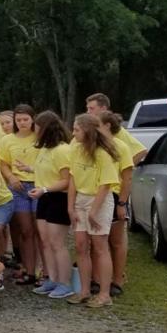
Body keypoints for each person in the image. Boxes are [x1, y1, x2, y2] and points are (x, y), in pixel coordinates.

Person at [66, 113, 120, 308]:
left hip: (99, 201)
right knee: (80, 245)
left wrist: (93, 211)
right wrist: (70, 206)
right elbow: (72, 178)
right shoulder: (76, 149)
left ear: (88, 131)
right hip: (81, 198)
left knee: (99, 246)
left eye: (77, 129)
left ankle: (105, 294)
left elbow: (106, 185)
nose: (73, 133)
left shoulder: (102, 154)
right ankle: (84, 290)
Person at [27, 111, 75, 300]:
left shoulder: (62, 150)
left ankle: (65, 283)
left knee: (57, 243)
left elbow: (66, 180)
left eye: (37, 127)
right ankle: (52, 279)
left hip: (58, 198)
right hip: (44, 197)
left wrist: (45, 189)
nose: (35, 131)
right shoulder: (45, 149)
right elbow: (44, 170)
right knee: (46, 242)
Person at [0, 104, 40, 284]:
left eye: (25, 119)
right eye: (19, 120)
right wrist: (11, 177)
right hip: (18, 187)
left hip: (39, 186)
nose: (22, 123)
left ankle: (42, 271)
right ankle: (29, 271)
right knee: (26, 230)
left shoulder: (40, 137)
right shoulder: (8, 140)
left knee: (40, 231)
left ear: (32, 119)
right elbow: (4, 163)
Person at [97, 111, 135, 297]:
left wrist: (122, 203)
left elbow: (127, 178)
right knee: (97, 240)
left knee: (116, 240)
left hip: (114, 194)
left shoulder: (121, 147)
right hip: (95, 194)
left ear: (107, 126)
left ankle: (118, 279)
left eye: (97, 125)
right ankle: (98, 278)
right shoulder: (93, 146)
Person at [86, 93, 146, 165]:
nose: (88, 112)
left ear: (103, 109)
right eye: (87, 108)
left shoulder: (115, 129)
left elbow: (141, 151)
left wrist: (124, 170)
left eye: (91, 108)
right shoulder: (90, 128)